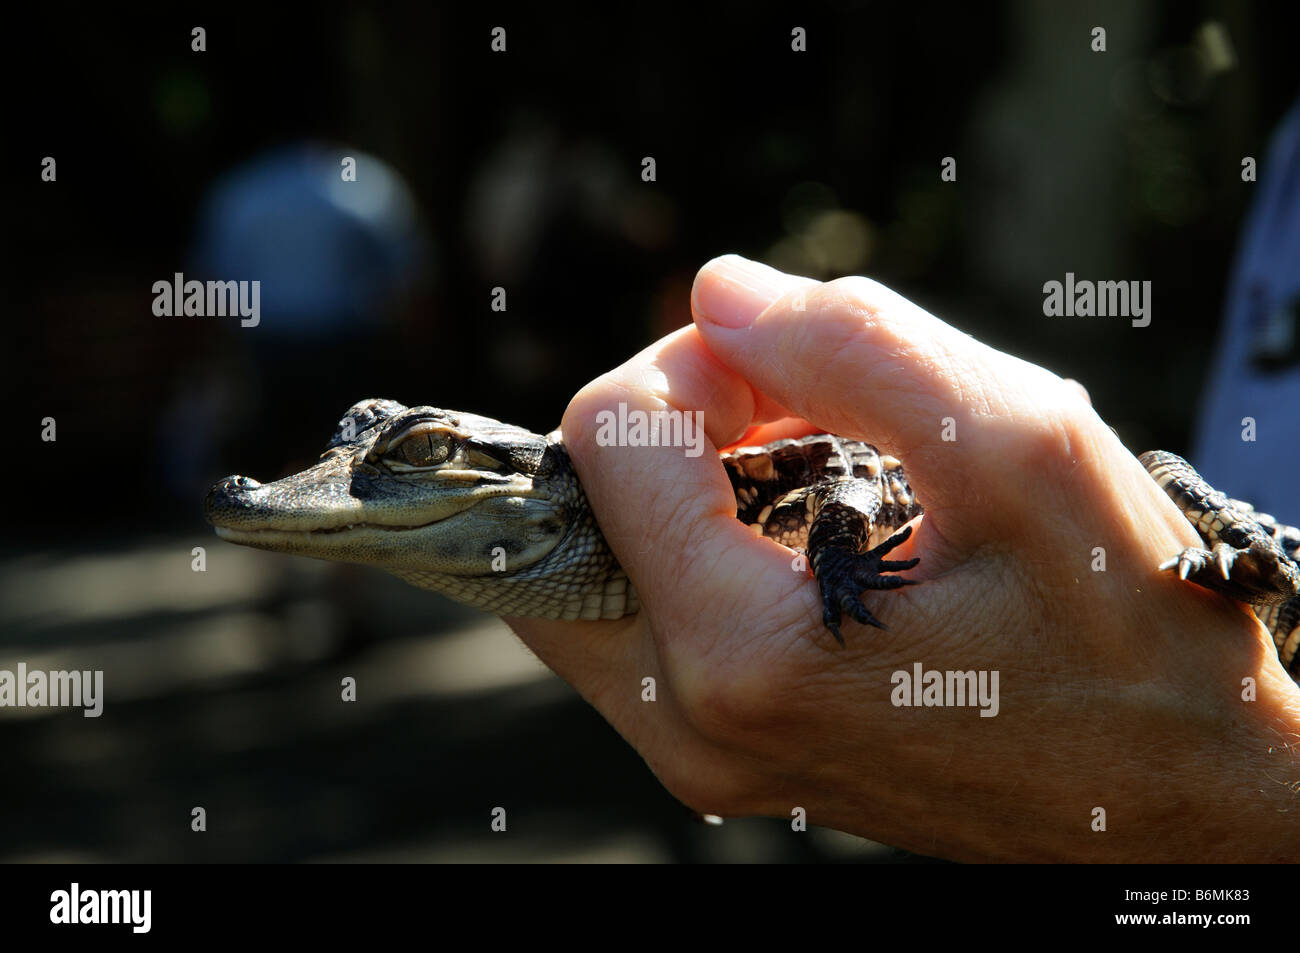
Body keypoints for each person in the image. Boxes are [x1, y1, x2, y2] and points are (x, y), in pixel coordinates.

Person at [506, 254, 1299, 862]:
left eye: (417, 450)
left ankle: (1261, 559)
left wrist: (1228, 797)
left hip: (1247, 568)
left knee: (1164, 475)